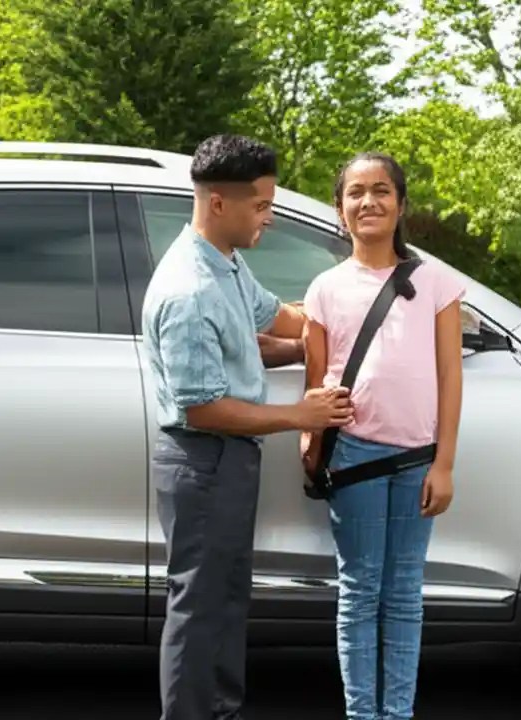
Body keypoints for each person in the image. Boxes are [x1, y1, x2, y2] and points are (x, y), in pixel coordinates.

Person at [142, 133, 354, 720]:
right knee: (200, 605)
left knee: (226, 599)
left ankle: (223, 711)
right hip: (204, 458)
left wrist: (349, 310)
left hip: (227, 461)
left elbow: (269, 324)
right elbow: (203, 406)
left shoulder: (227, 265)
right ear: (218, 203)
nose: (268, 217)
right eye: (260, 206)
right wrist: (299, 416)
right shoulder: (189, 290)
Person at [300, 152, 465, 720]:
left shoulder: (436, 281)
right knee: (359, 591)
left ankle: (397, 713)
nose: (368, 202)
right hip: (355, 456)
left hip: (418, 458)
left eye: (381, 191)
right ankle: (360, 713)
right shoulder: (324, 288)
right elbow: (316, 378)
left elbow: (450, 376)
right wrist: (311, 437)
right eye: (355, 193)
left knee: (404, 595)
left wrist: (443, 463)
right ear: (339, 208)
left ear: (400, 204)